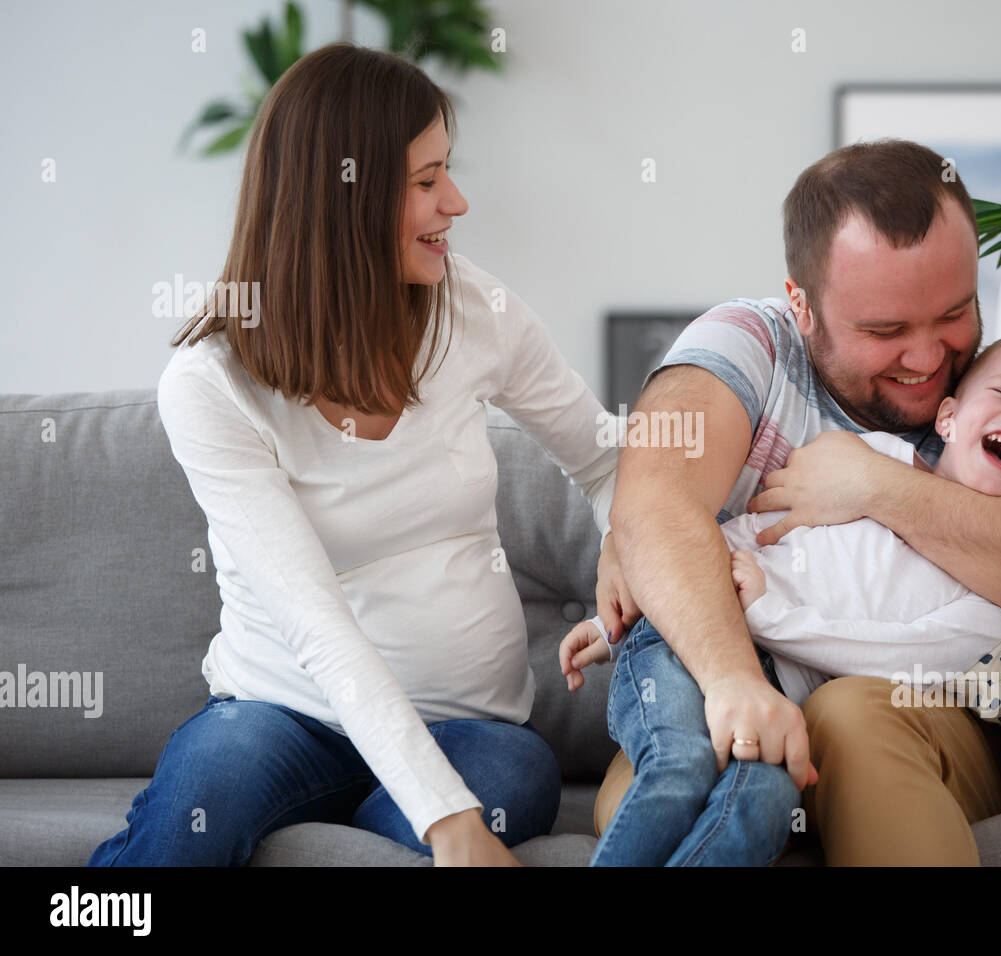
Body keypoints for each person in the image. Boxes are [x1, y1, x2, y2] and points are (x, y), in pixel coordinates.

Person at [87, 43, 620, 867]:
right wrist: (447, 822)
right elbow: (318, 626)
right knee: (201, 804)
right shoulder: (210, 385)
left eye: (449, 170)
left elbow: (606, 460)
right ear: (343, 199)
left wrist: (623, 548)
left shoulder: (477, 311)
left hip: (469, 721)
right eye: (426, 181)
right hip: (276, 713)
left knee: (509, 793)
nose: (458, 201)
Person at [582, 139, 1001, 866]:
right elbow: (654, 506)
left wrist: (874, 484)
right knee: (650, 799)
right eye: (886, 330)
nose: (929, 359)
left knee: (849, 713)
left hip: (914, 718)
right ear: (802, 306)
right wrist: (737, 684)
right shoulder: (750, 348)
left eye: (954, 314)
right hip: (743, 681)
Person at [562, 329, 1001, 864]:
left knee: (761, 800)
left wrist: (769, 617)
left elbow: (897, 659)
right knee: (679, 768)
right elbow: (753, 532)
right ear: (947, 418)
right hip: (681, 648)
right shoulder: (865, 456)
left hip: (768, 677)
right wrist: (622, 617)